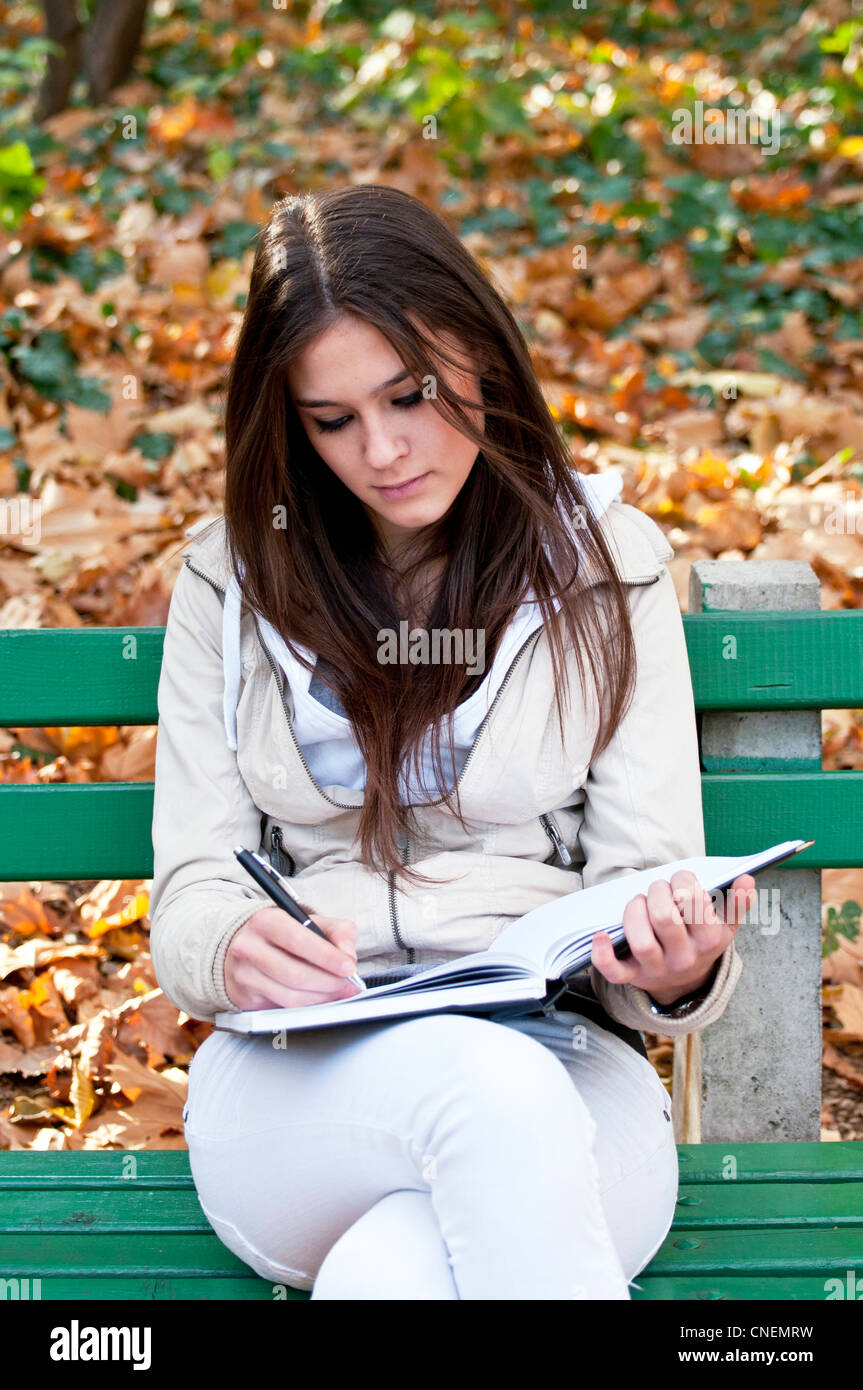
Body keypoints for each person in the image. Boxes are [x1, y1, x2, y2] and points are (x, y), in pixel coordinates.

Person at [148, 184, 755, 1301]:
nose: (381, 449)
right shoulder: (228, 578)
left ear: (478, 352)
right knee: (487, 1095)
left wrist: (672, 968)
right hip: (295, 1085)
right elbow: (188, 885)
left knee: (396, 1273)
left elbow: (647, 880)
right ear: (286, 419)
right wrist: (228, 941)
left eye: (409, 395)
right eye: (331, 419)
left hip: (565, 1072)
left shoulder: (604, 564)